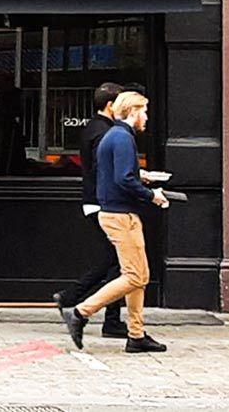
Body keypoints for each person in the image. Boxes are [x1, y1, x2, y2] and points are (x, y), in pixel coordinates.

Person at [62, 91, 169, 353]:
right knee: (134, 275)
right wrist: (151, 195)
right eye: (144, 111)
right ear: (132, 111)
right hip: (121, 215)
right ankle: (80, 312)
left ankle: (136, 334)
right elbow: (123, 180)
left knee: (140, 275)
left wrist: (139, 175)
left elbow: (114, 173)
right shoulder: (122, 137)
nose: (146, 117)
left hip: (117, 212)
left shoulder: (114, 136)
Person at [55, 83, 127, 339]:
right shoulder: (104, 132)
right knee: (120, 262)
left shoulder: (95, 128)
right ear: (110, 105)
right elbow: (104, 169)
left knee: (115, 260)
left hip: (95, 200)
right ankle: (104, 316)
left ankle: (76, 299)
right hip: (102, 202)